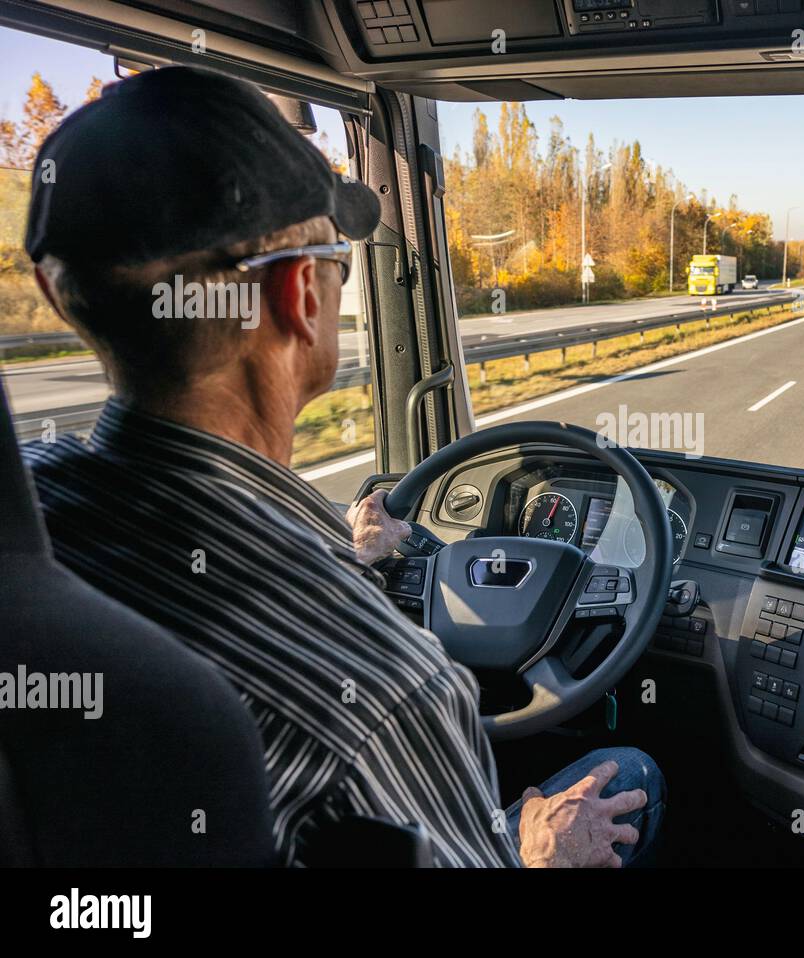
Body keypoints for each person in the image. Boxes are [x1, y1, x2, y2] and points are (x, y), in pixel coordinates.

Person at [18, 65, 663, 867]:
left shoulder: (26, 510)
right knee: (630, 777)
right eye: (338, 260)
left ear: (56, 294)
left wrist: (351, 562)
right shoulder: (381, 690)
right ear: (302, 297)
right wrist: (540, 852)